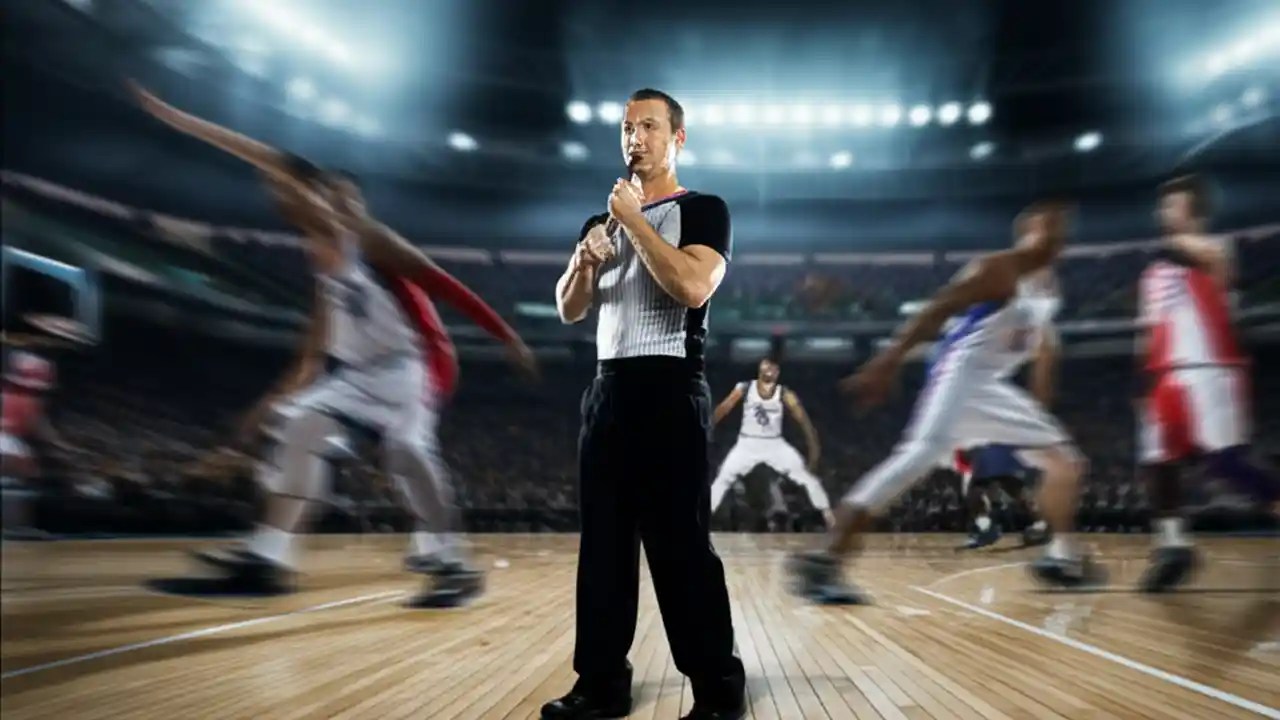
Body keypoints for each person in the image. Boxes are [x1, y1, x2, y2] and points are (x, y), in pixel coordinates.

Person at [129, 83, 537, 606]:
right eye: (331, 196)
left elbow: (440, 282)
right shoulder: (327, 281)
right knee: (298, 424)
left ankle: (451, 560)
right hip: (358, 375)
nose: (334, 205)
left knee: (407, 448)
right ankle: (267, 559)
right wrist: (255, 421)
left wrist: (506, 335)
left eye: (344, 197)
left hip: (414, 364)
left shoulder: (367, 237)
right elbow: (308, 362)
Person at [542, 88, 745, 720]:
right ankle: (601, 684)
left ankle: (717, 689)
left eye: (649, 126)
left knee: (680, 546)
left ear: (677, 138)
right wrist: (583, 262)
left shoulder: (705, 210)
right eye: (628, 127)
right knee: (603, 547)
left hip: (671, 387)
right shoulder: (598, 222)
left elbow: (690, 286)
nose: (635, 137)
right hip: (607, 392)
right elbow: (569, 309)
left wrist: (631, 221)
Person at [787, 200, 1102, 604]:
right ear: (1027, 233)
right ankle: (823, 560)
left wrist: (1038, 407)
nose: (1057, 238)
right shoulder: (998, 269)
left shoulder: (1047, 288)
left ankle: (1061, 557)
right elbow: (938, 308)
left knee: (1065, 462)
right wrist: (888, 361)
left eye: (1061, 231)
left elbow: (1046, 348)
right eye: (1048, 228)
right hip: (961, 377)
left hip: (992, 385)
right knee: (914, 459)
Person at [1135, 174, 1277, 592]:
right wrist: (1140, 382)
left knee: (1226, 463)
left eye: (1172, 204)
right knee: (1158, 462)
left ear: (1194, 210)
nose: (1163, 212)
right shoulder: (1154, 272)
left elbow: (1212, 262)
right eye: (1163, 206)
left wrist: (1172, 245)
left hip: (1210, 368)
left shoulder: (1215, 250)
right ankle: (1174, 546)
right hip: (1165, 374)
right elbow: (1148, 329)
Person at [709, 357, 833, 527]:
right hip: (747, 443)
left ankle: (828, 516)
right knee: (723, 478)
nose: (770, 369)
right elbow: (724, 408)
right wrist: (708, 426)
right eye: (767, 365)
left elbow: (802, 419)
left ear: (778, 372)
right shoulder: (744, 388)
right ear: (760, 367)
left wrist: (813, 445)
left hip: (774, 444)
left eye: (774, 367)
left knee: (807, 479)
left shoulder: (784, 393)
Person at [1, 349, 74, 540]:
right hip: (7, 441)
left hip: (7, 441)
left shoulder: (7, 392)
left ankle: (13, 527)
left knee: (17, 479)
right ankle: (14, 527)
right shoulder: (29, 401)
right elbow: (40, 428)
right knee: (27, 474)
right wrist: (63, 447)